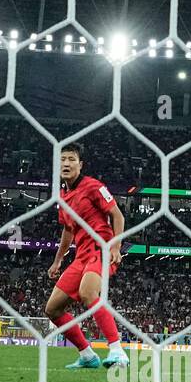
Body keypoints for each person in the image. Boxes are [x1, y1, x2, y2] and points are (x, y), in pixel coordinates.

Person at [45, 142, 127, 369]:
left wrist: (115, 246)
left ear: (80, 165)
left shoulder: (93, 186)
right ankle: (87, 355)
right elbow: (68, 230)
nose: (66, 163)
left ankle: (117, 351)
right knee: (52, 309)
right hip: (81, 257)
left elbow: (117, 216)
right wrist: (58, 260)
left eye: (71, 159)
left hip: (101, 250)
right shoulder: (62, 197)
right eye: (62, 159)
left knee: (87, 292)